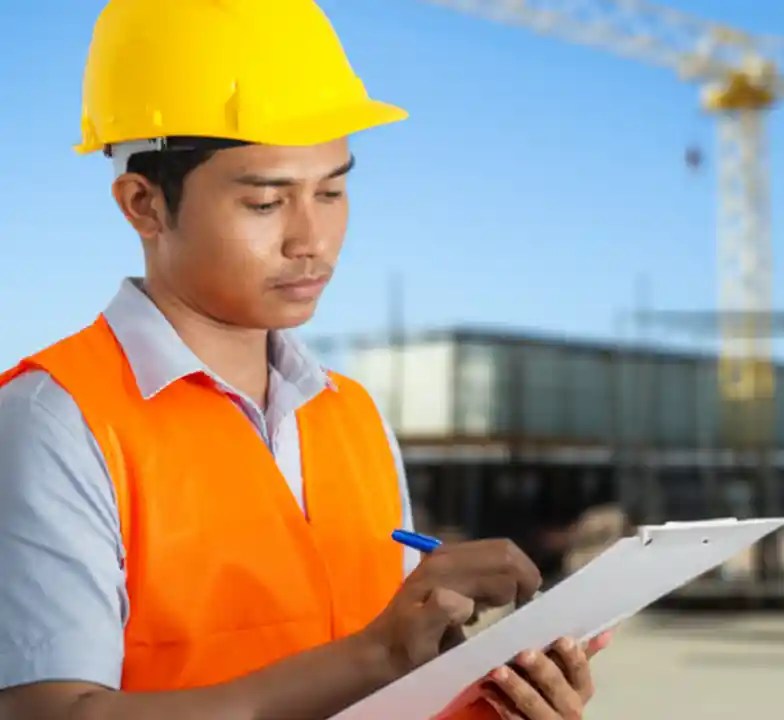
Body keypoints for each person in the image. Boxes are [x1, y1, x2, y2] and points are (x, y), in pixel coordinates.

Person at [0, 1, 610, 718]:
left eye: (332, 191)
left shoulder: (351, 418)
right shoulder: (54, 420)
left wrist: (488, 698)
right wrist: (377, 653)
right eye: (265, 202)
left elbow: (382, 692)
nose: (311, 239)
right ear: (143, 205)